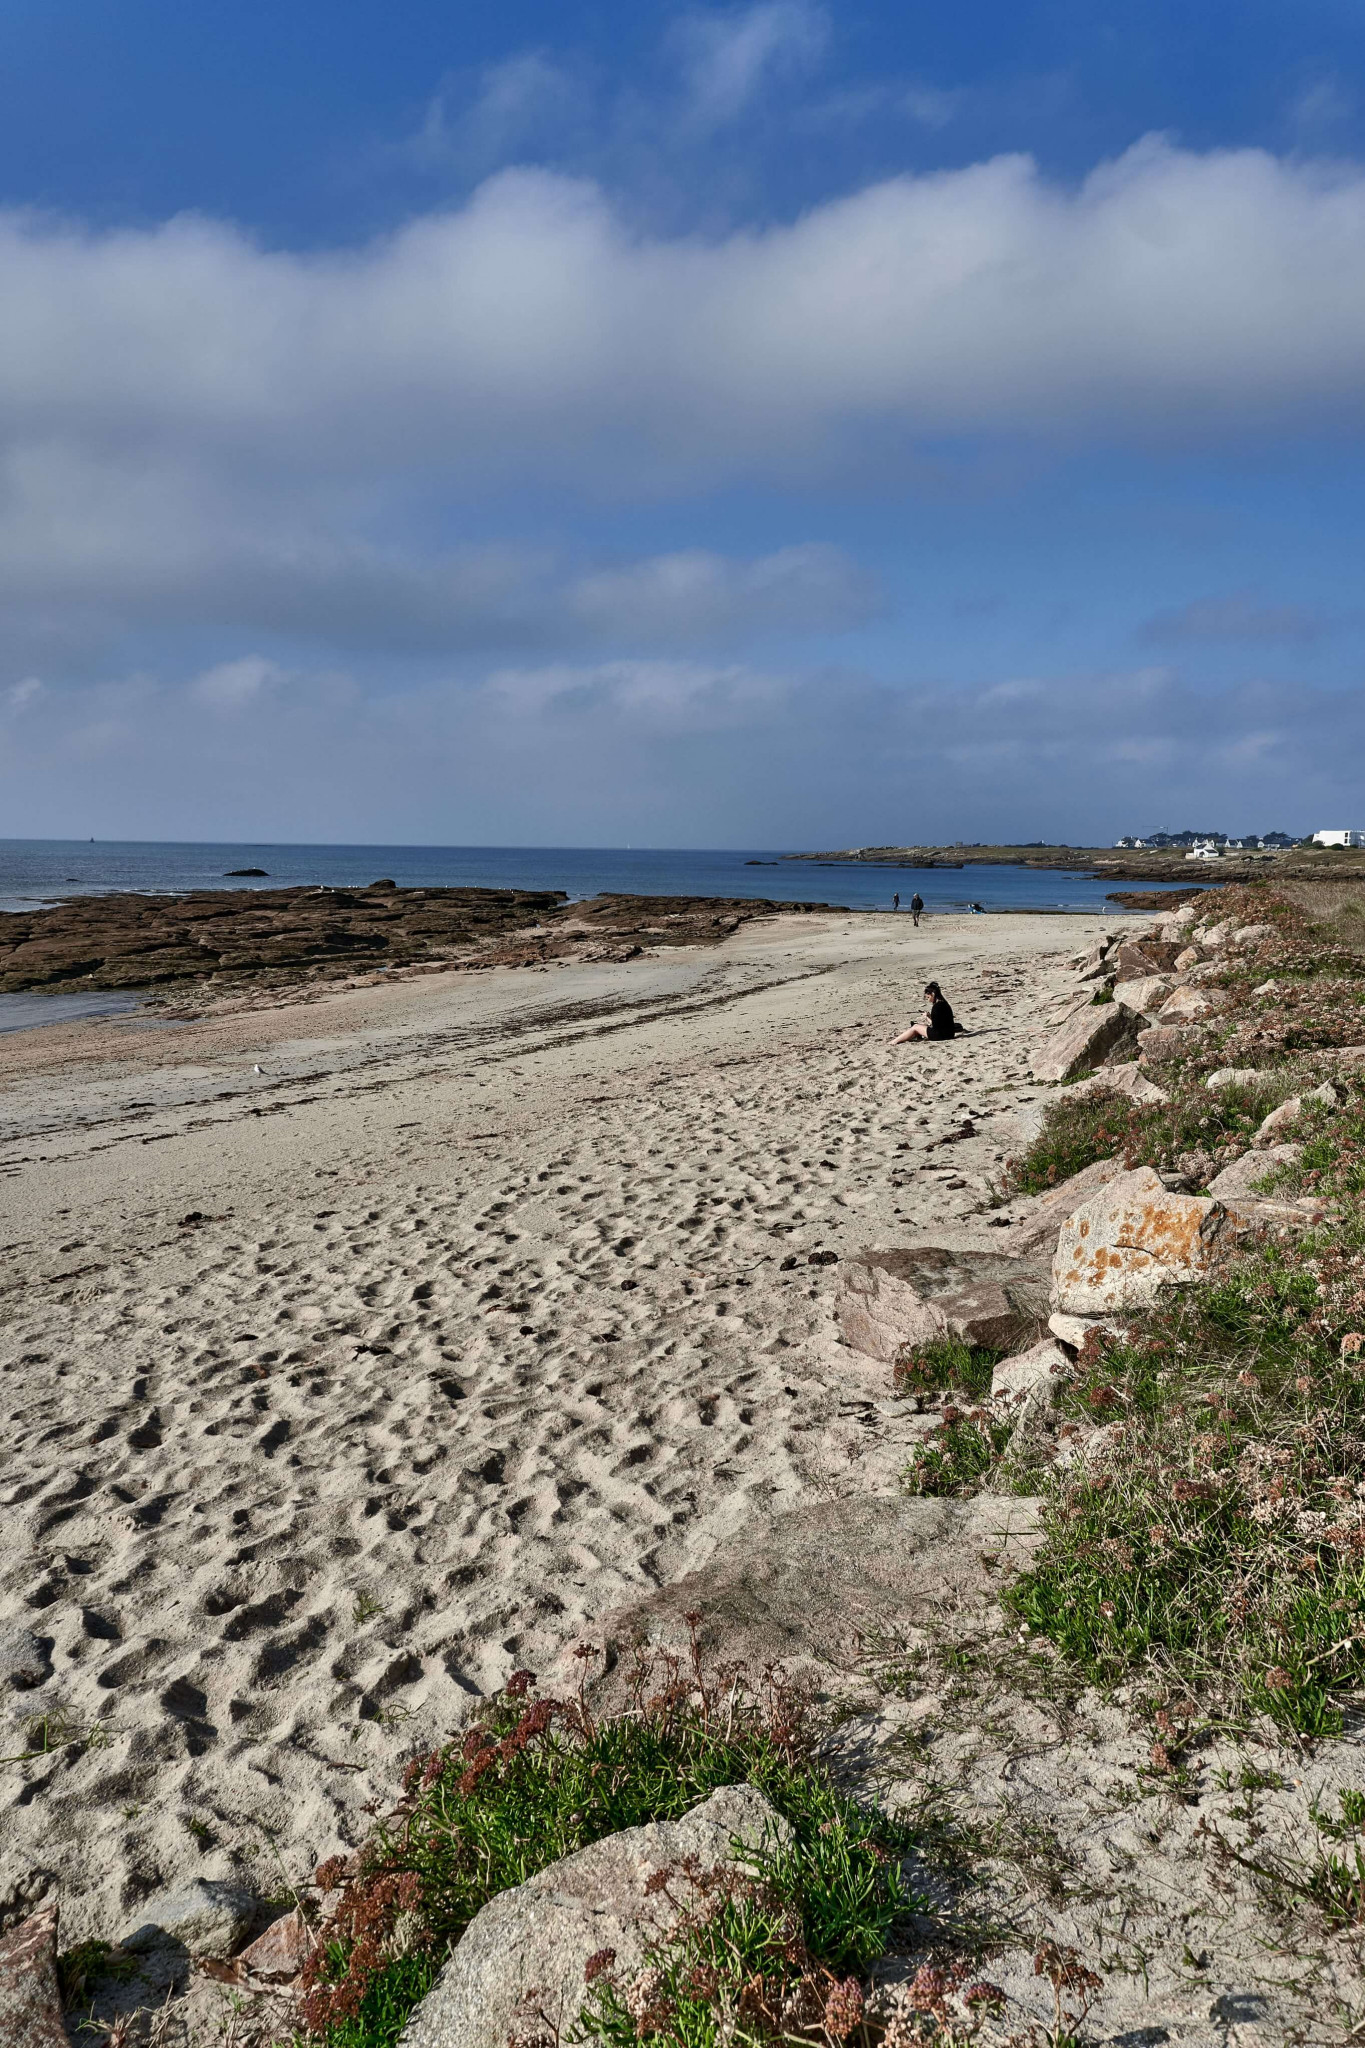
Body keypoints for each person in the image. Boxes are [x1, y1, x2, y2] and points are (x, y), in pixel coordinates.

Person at [889, 980, 956, 1044]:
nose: (928, 1000)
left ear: (933, 994)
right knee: (919, 1027)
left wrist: (927, 1018)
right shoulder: (945, 1004)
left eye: (928, 997)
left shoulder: (936, 1007)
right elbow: (942, 1023)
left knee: (915, 1026)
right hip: (950, 1034)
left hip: (940, 1036)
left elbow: (935, 1026)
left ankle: (894, 1041)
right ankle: (911, 1037)